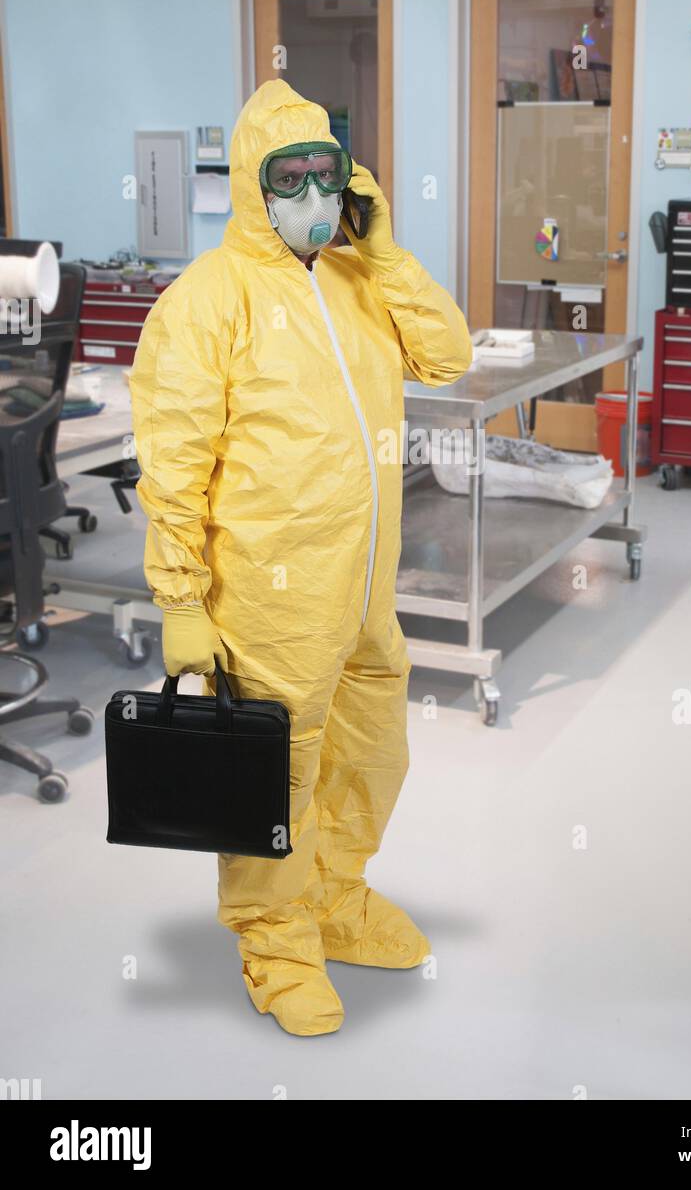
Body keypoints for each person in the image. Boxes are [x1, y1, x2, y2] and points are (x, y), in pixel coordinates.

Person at [129, 80, 472, 1036]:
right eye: (292, 178)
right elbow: (175, 462)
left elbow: (447, 358)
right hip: (270, 601)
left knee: (368, 750)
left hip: (365, 590)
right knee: (275, 770)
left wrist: (387, 249)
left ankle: (334, 896)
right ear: (253, 185)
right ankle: (275, 937)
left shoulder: (363, 278)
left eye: (328, 175)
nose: (313, 196)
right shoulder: (208, 300)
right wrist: (181, 596)